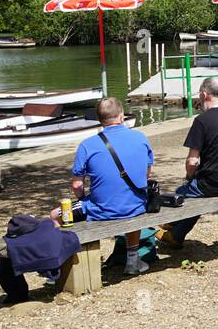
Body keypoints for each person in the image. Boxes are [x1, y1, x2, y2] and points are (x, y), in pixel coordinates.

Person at [51, 97, 154, 275]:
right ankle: (132, 260)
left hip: (102, 209)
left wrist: (83, 199)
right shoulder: (140, 138)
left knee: (55, 215)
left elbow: (77, 185)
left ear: (100, 120)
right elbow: (146, 175)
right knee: (131, 199)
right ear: (121, 116)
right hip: (137, 205)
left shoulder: (87, 145)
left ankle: (55, 269)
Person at [160, 76, 218, 250]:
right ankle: (173, 228)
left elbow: (192, 161)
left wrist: (189, 176)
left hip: (215, 184)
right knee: (195, 192)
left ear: (203, 94)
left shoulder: (202, 121)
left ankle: (175, 234)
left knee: (181, 192)